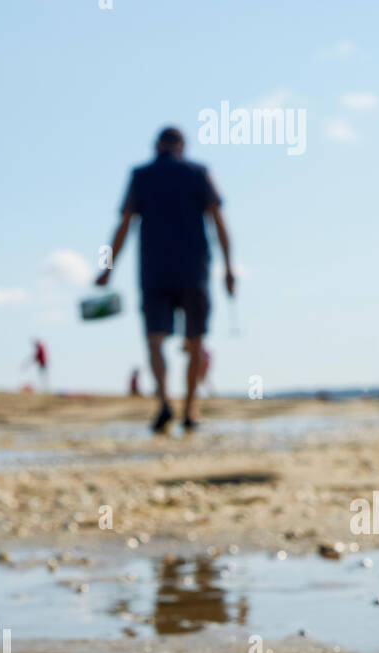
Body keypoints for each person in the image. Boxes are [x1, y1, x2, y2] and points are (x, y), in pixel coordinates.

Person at [96, 126, 235, 433]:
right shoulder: (199, 173)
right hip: (194, 270)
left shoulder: (141, 176)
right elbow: (218, 221)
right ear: (182, 146)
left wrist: (107, 269)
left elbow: (124, 224)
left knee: (155, 340)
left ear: (156, 146)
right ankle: (190, 409)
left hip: (154, 271)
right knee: (195, 341)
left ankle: (163, 404)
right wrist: (229, 267)